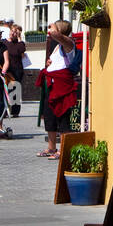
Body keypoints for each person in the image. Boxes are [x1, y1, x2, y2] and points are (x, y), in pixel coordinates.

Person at [36, 20, 78, 159]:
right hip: (51, 84)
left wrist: (53, 30)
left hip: (62, 87)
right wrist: (49, 64)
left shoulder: (69, 43)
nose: (49, 28)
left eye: (52, 26)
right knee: (50, 117)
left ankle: (63, 149)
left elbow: (55, 34)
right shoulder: (57, 46)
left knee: (63, 118)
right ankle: (51, 147)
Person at [5, 24, 27, 117]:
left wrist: (19, 38)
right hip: (6, 69)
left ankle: (15, 111)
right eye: (12, 31)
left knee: (15, 89)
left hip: (17, 69)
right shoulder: (4, 42)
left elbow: (22, 49)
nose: (13, 33)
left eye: (16, 32)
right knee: (5, 89)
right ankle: (4, 110)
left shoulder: (19, 44)